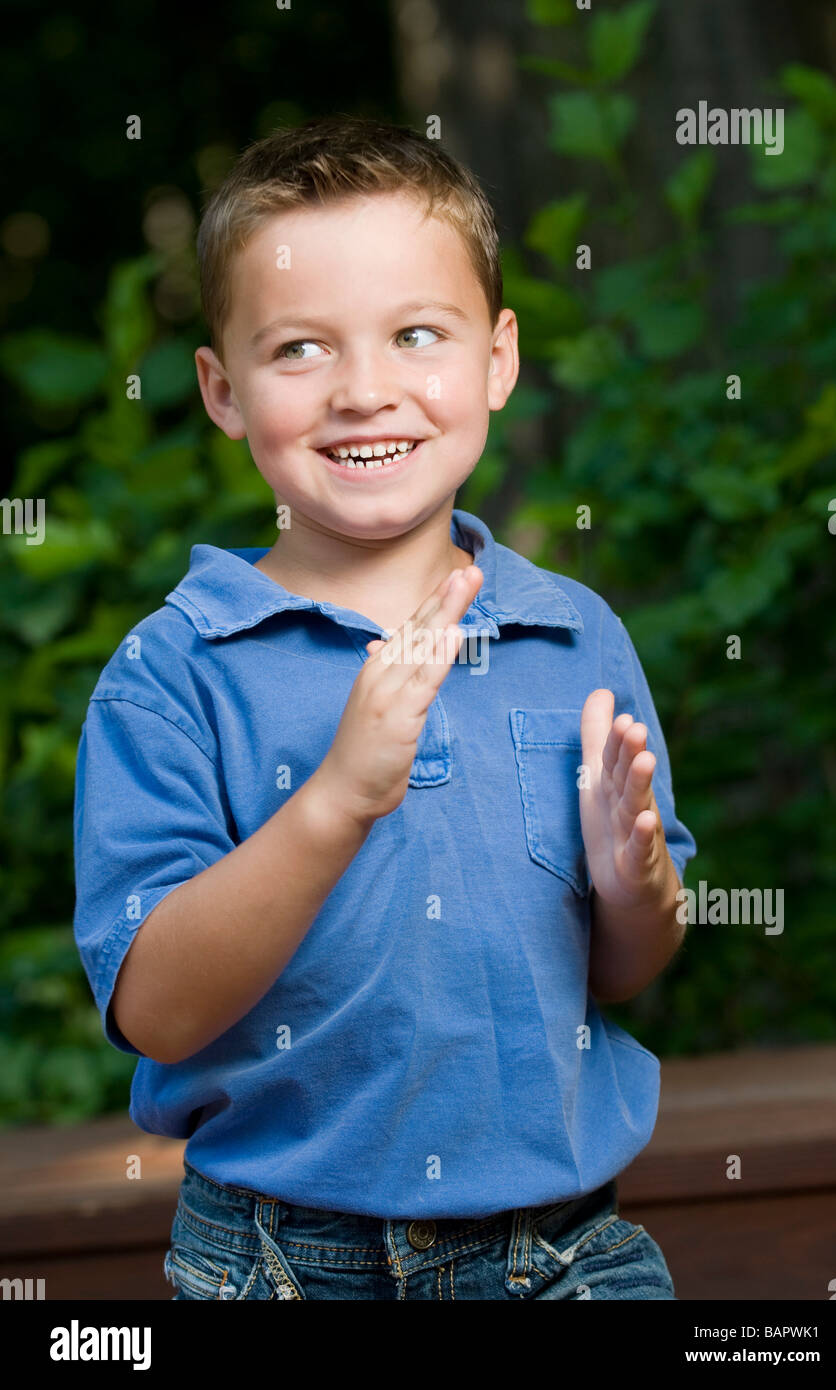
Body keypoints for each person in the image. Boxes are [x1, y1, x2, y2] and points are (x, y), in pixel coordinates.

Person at [73, 115, 696, 1300]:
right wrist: (336, 802)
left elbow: (626, 970)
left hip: (560, 1249)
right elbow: (156, 1009)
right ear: (222, 389)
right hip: (281, 1258)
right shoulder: (175, 673)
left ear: (498, 359)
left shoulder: (573, 636)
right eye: (301, 348)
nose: (366, 391)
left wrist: (635, 889)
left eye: (417, 334)